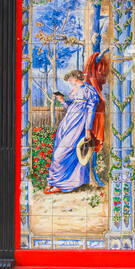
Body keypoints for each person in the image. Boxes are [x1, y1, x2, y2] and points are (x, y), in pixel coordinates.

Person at [46, 61, 105, 193]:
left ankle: (63, 184)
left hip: (79, 125)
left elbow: (90, 110)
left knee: (63, 153)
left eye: (71, 79)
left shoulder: (88, 90)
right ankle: (55, 181)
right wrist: (63, 101)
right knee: (59, 151)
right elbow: (72, 107)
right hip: (67, 124)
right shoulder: (74, 91)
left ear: (76, 77)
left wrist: (88, 129)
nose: (70, 82)